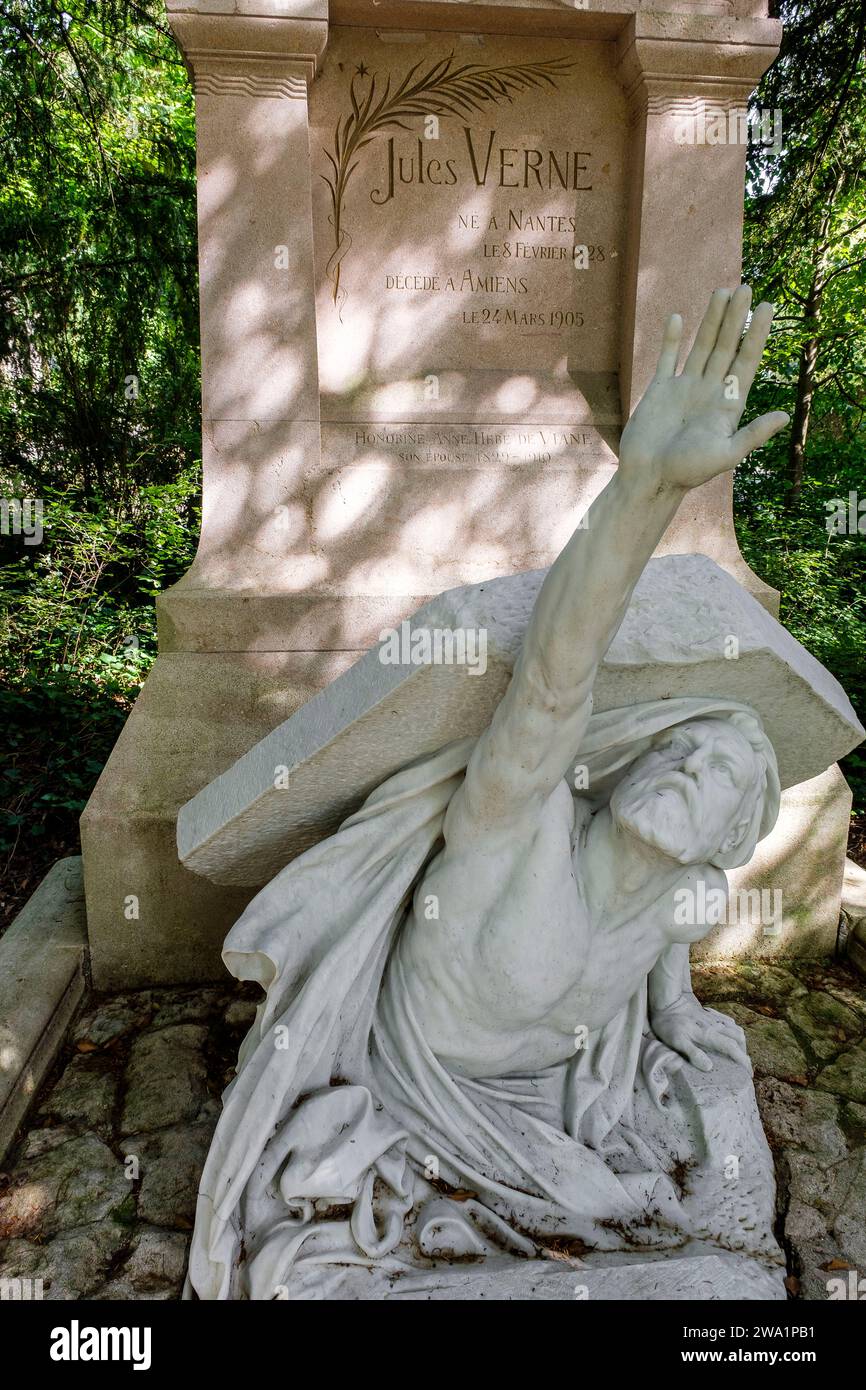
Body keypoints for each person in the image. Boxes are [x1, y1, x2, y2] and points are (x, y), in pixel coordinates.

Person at [186, 286, 788, 1300]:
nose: (689, 765)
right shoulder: (521, 821)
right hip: (413, 1107)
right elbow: (555, 676)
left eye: (720, 775)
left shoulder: (667, 910)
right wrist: (636, 495)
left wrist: (677, 1017)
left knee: (728, 1290)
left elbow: (664, 947)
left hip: (545, 1136)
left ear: (721, 840)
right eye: (684, 749)